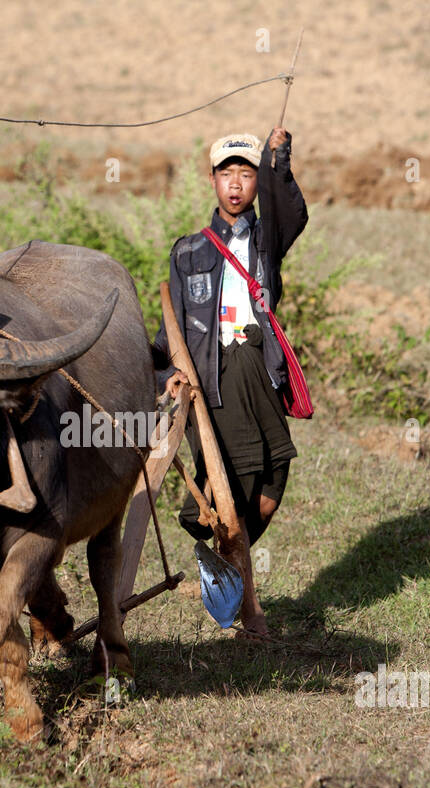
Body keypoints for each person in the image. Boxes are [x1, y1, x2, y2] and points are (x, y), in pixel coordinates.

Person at [150, 128, 308, 633]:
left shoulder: (267, 240)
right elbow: (167, 331)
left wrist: (279, 161)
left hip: (261, 377)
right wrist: (168, 375)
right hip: (212, 388)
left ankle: (211, 535)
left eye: (247, 173)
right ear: (213, 181)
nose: (236, 184)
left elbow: (293, 213)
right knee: (235, 499)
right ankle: (250, 608)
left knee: (271, 487)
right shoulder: (189, 251)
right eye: (227, 174)